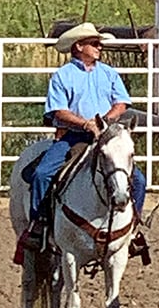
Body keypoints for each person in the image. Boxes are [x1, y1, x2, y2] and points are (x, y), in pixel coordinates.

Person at [18, 22, 149, 261]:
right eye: (95, 43)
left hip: (106, 134)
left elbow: (122, 103)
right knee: (43, 174)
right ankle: (38, 224)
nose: (100, 47)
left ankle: (133, 228)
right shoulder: (62, 76)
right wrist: (85, 124)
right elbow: (58, 111)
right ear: (79, 46)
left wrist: (105, 120)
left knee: (138, 179)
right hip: (74, 136)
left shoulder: (108, 73)